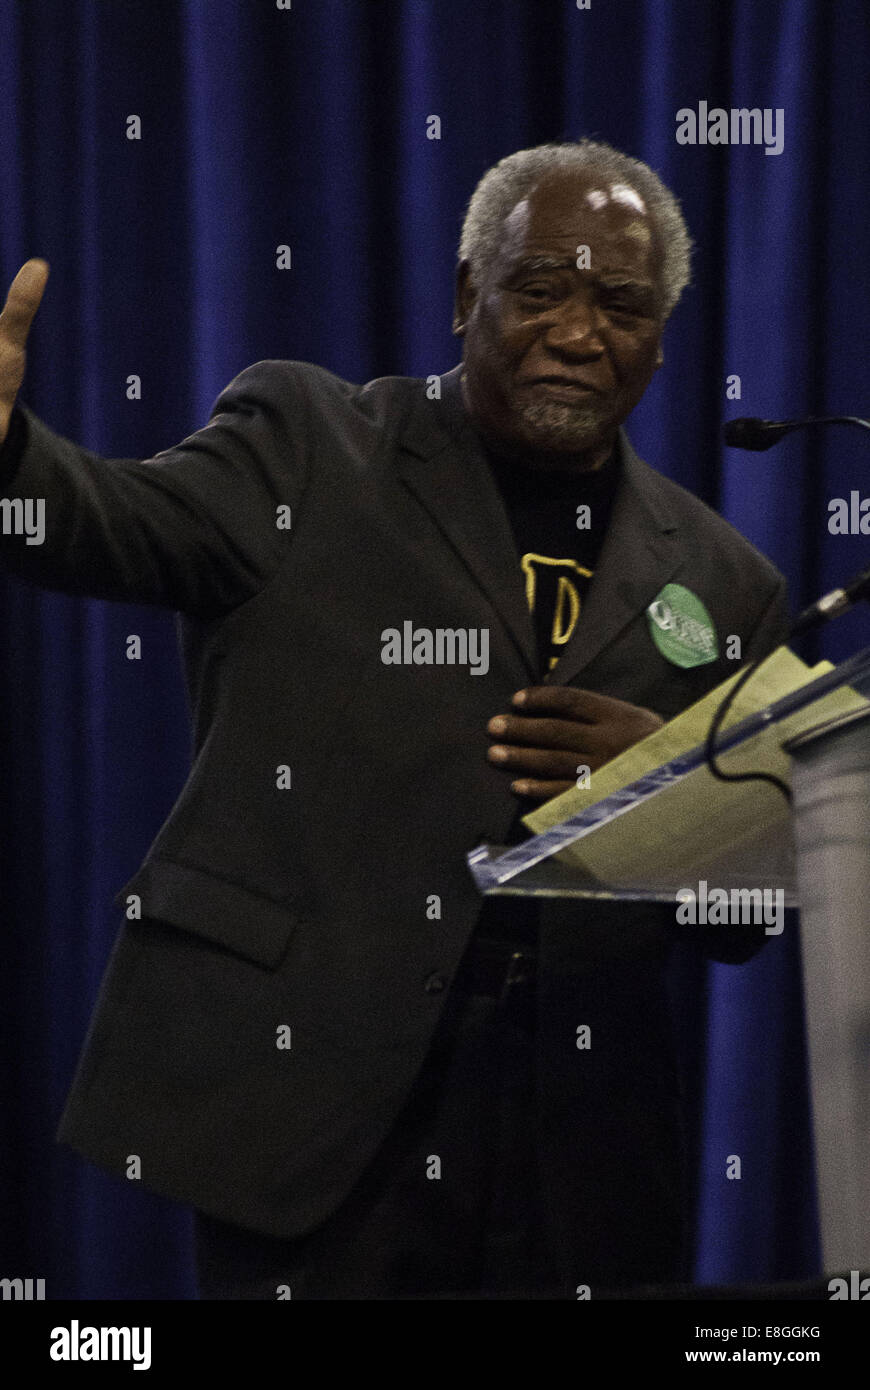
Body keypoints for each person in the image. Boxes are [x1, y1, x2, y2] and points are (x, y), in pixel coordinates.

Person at [0, 138, 788, 1299]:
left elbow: (752, 912)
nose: (579, 332)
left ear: (663, 338)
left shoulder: (727, 580)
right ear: (469, 294)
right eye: (541, 290)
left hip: (580, 1157)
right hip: (316, 1121)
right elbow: (105, 522)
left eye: (621, 303)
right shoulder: (312, 444)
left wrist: (684, 791)